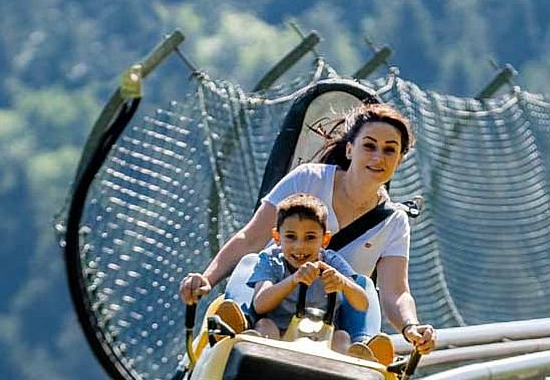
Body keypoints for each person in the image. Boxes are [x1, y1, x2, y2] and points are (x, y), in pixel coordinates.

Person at [180, 103, 439, 355]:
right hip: (271, 295)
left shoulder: (393, 221)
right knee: (251, 262)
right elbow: (251, 238)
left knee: (365, 288)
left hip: (327, 317)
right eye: (369, 146)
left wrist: (411, 326)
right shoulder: (308, 179)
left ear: (399, 159)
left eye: (389, 150)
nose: (378, 157)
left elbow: (396, 292)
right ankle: (239, 323)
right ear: (350, 150)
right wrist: (207, 279)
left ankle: (362, 349)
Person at [243, 194, 374, 355]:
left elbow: (363, 305)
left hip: (322, 340)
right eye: (291, 237)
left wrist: (342, 283)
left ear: (325, 240)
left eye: (310, 237)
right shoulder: (271, 260)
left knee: (342, 337)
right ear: (277, 237)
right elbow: (260, 304)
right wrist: (294, 279)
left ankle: (361, 358)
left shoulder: (332, 262)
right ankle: (250, 351)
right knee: (264, 325)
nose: (300, 246)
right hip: (280, 336)